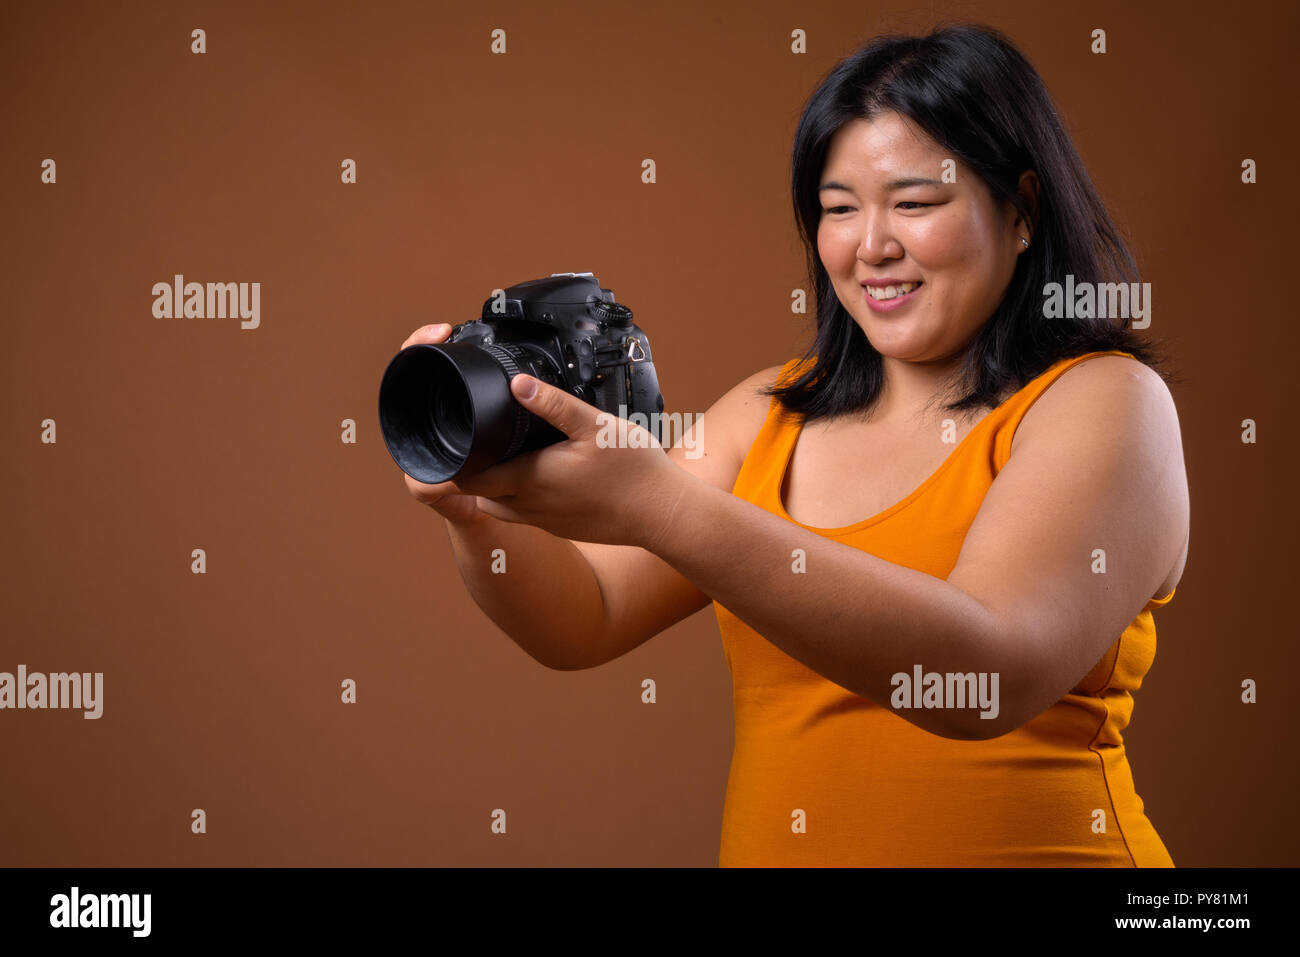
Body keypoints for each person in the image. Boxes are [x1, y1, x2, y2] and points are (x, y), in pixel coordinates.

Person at [395, 22, 1189, 867]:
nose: (871, 246)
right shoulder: (766, 414)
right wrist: (473, 513)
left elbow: (987, 673)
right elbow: (585, 615)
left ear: (1021, 210)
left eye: (914, 204)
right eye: (838, 209)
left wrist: (664, 505)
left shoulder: (1102, 402)